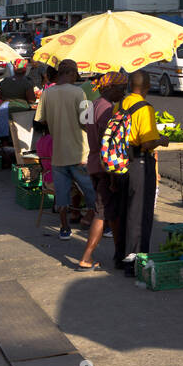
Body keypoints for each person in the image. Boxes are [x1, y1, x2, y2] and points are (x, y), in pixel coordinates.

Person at [34, 59, 96, 241]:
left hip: (58, 153)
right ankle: (102, 223)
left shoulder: (47, 93)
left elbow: (41, 120)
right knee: (91, 191)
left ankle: (64, 228)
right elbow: (87, 121)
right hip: (79, 152)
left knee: (62, 193)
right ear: (70, 73)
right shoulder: (78, 92)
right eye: (76, 73)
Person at [118, 69, 170, 272]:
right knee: (140, 214)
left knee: (126, 211)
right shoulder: (145, 108)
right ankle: (136, 262)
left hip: (123, 163)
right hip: (139, 162)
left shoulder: (121, 104)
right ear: (147, 87)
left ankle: (122, 257)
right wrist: (161, 140)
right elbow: (148, 143)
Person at [77, 72, 128, 269]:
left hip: (93, 162)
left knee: (110, 210)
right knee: (101, 211)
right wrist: (113, 175)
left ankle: (119, 252)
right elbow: (107, 142)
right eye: (121, 90)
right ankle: (86, 257)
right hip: (104, 166)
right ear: (110, 88)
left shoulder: (94, 104)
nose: (123, 94)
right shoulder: (107, 109)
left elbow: (85, 124)